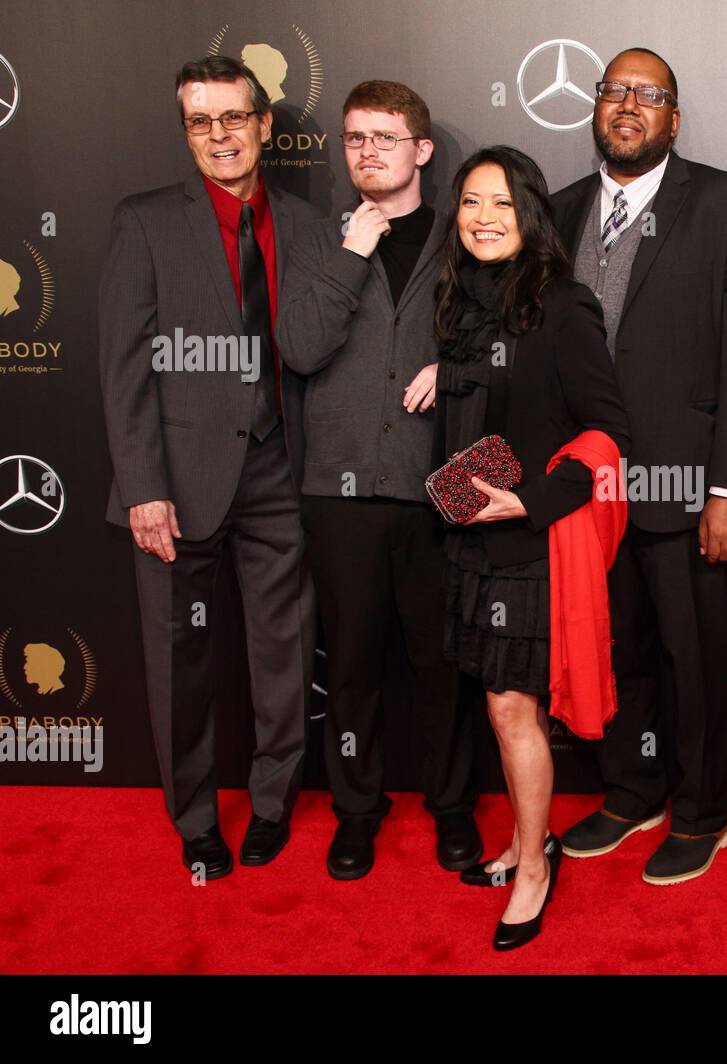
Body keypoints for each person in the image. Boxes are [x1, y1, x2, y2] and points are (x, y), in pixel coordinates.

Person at [551, 47, 727, 885]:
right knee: (616, 654)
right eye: (614, 91)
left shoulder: (726, 204)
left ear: (673, 119)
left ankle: (701, 812)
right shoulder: (562, 208)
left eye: (648, 95)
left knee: (701, 663)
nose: (627, 105)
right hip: (590, 495)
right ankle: (630, 790)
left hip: (692, 491)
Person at [98, 56, 319, 879]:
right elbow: (123, 371)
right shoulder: (145, 222)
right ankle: (194, 822)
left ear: (265, 126)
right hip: (178, 480)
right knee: (177, 661)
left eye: (233, 118)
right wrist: (144, 488)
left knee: (283, 654)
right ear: (186, 133)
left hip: (279, 472)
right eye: (201, 122)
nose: (219, 136)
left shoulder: (304, 225)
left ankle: (271, 806)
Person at [276, 81, 481, 881]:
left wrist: (453, 366)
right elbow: (299, 347)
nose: (367, 151)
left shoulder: (467, 236)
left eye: (384, 137)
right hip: (341, 489)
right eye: (354, 138)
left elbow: (512, 344)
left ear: (422, 150)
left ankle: (453, 805)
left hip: (446, 483)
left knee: (443, 663)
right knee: (352, 666)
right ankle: (357, 812)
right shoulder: (322, 239)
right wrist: (352, 257)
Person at [432, 146, 631, 950]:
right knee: (498, 702)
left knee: (517, 708)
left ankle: (534, 870)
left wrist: (535, 500)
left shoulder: (564, 303)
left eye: (502, 205)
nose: (483, 218)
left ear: (532, 217)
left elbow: (609, 429)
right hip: (470, 538)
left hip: (530, 542)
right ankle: (523, 838)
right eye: (472, 203)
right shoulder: (459, 306)